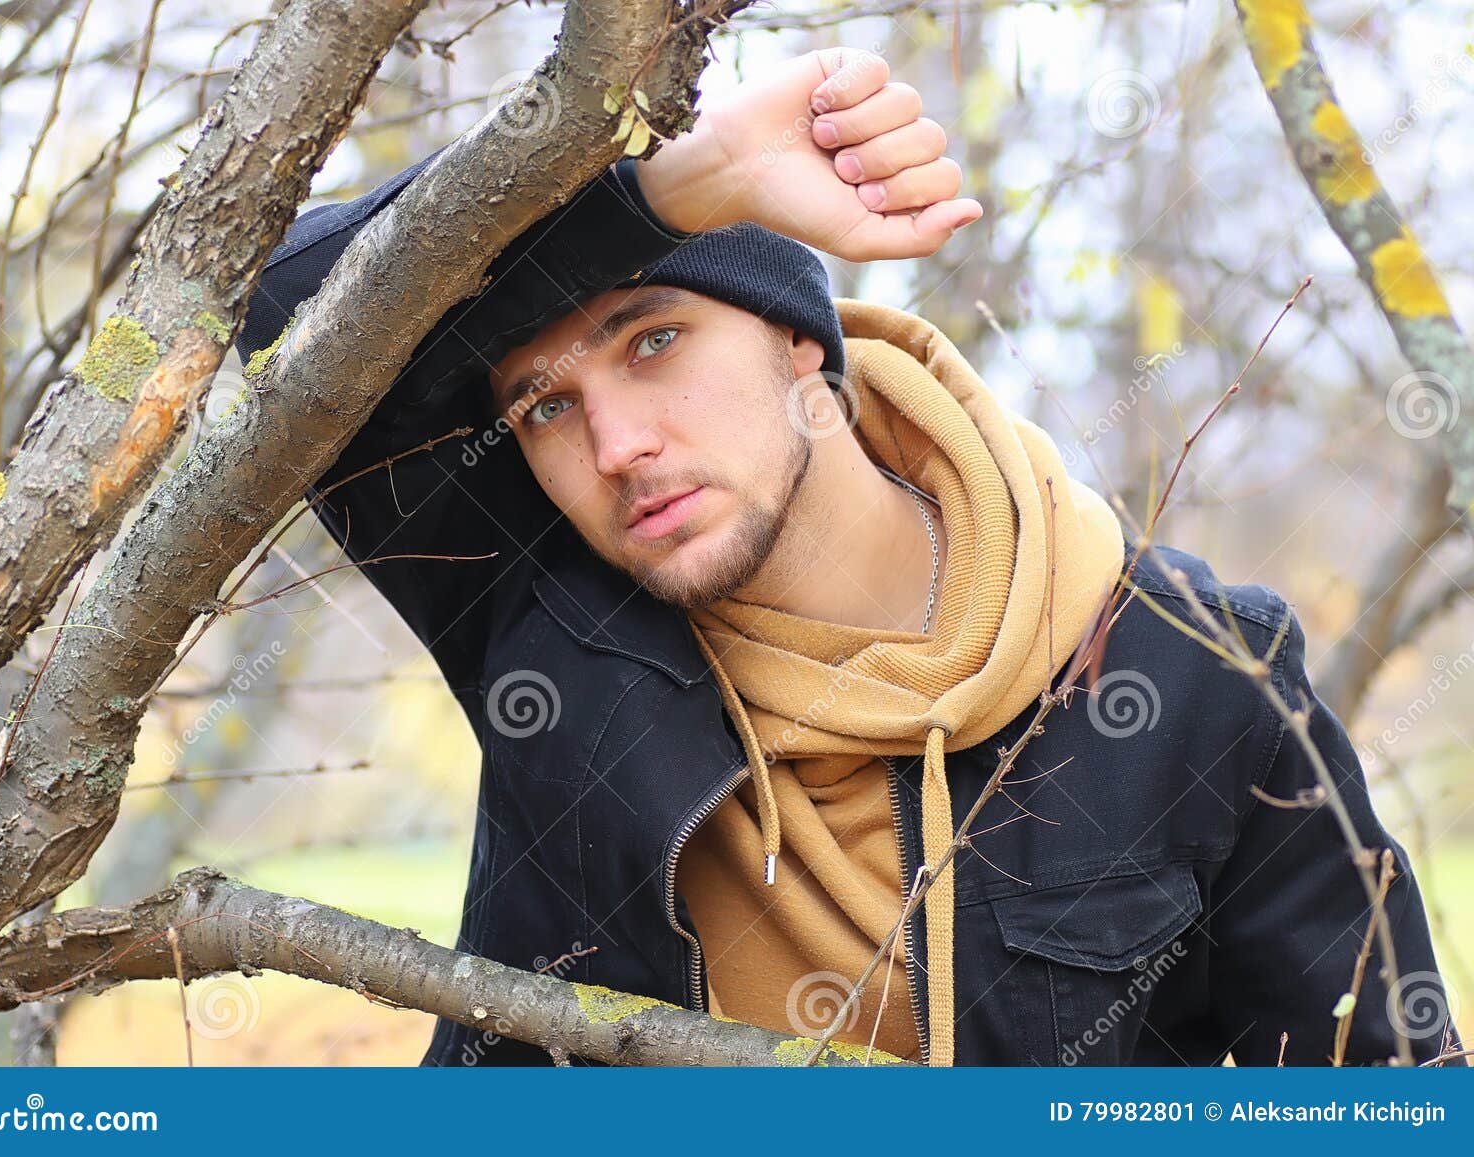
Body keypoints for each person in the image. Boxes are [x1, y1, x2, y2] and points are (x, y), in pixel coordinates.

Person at [236, 48, 1461, 1067]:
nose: (615, 444)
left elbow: (1387, 1090)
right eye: (545, 407)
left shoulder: (1196, 667)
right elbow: (267, 311)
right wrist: (685, 180)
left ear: (799, 348)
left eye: (655, 340)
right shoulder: (548, 609)